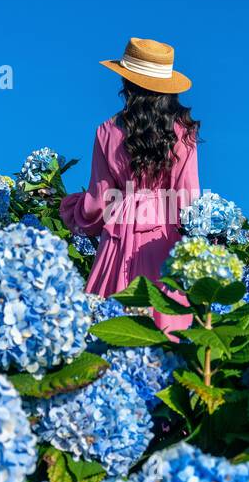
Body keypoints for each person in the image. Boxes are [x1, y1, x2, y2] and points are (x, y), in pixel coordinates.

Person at [60, 37, 200, 332]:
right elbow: (189, 201)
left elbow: (97, 204)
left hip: (119, 234)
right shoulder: (184, 134)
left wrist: (70, 208)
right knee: (168, 327)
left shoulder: (107, 131)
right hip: (166, 235)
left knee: (109, 327)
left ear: (127, 82)